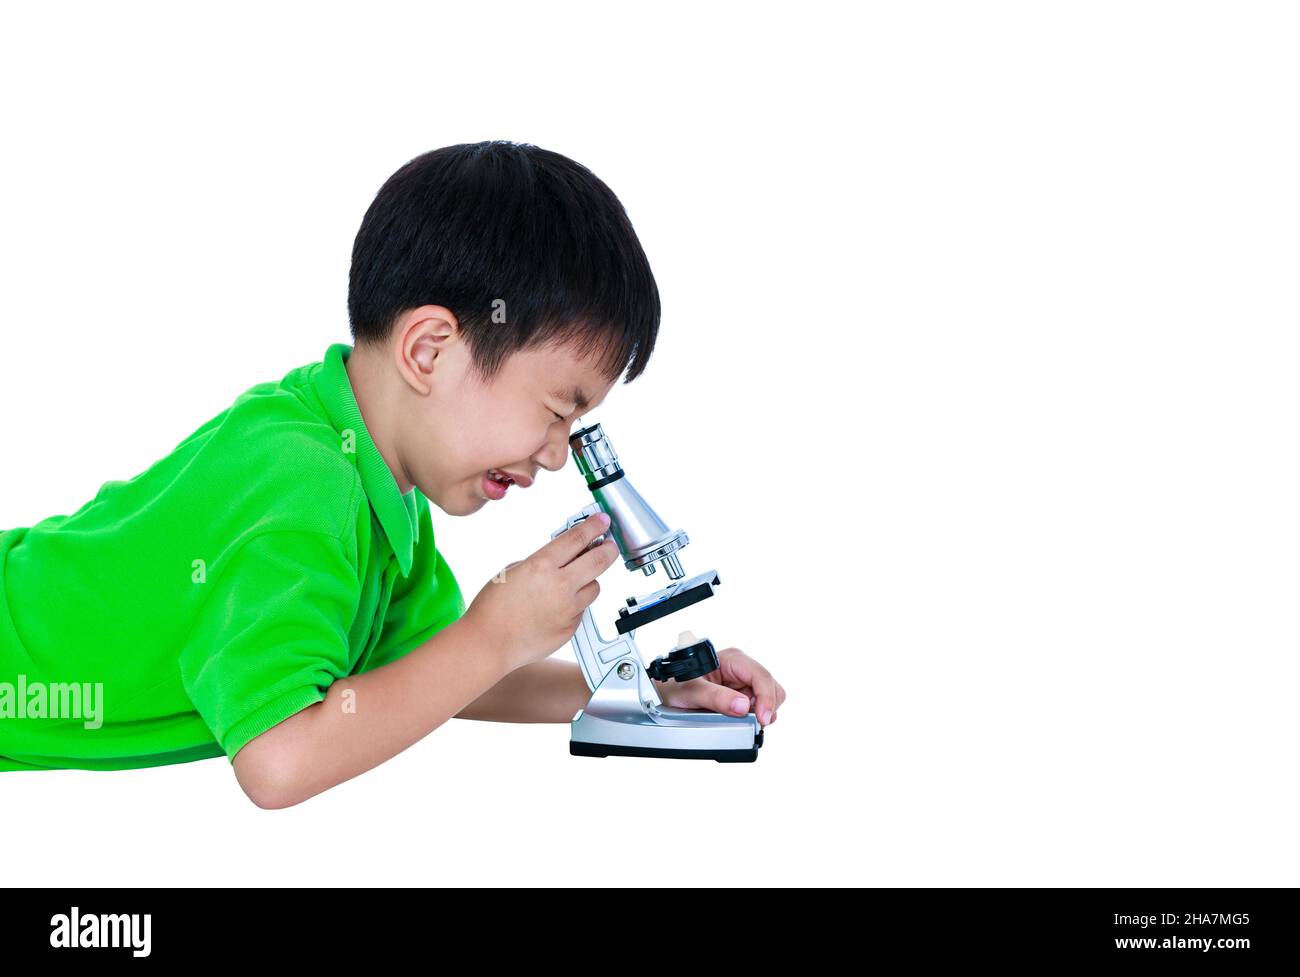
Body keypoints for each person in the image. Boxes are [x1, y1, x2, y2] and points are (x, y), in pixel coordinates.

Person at [0, 141, 785, 806]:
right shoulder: (306, 481)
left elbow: (433, 674)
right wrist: (492, 634)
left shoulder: (378, 485)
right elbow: (278, 761)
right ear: (429, 350)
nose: (557, 454)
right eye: (555, 410)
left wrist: (645, 691)